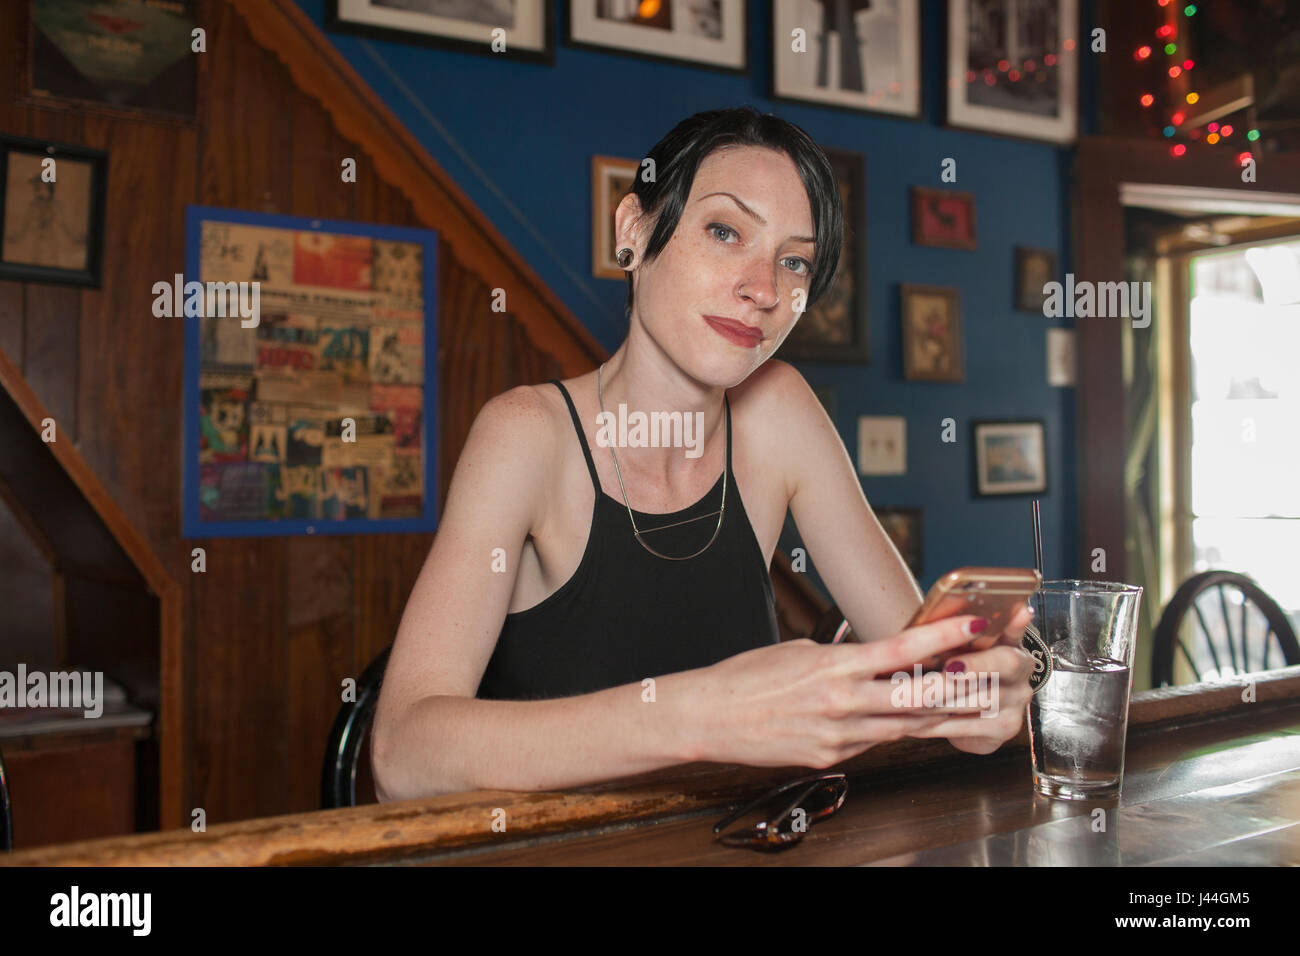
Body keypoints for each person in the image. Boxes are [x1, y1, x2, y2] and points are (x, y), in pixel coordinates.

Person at [371, 106, 1033, 801]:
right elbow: (401, 756)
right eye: (725, 231)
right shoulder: (526, 435)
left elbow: (923, 676)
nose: (764, 288)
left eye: (794, 260)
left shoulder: (781, 413)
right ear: (633, 232)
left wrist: (974, 697)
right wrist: (696, 716)